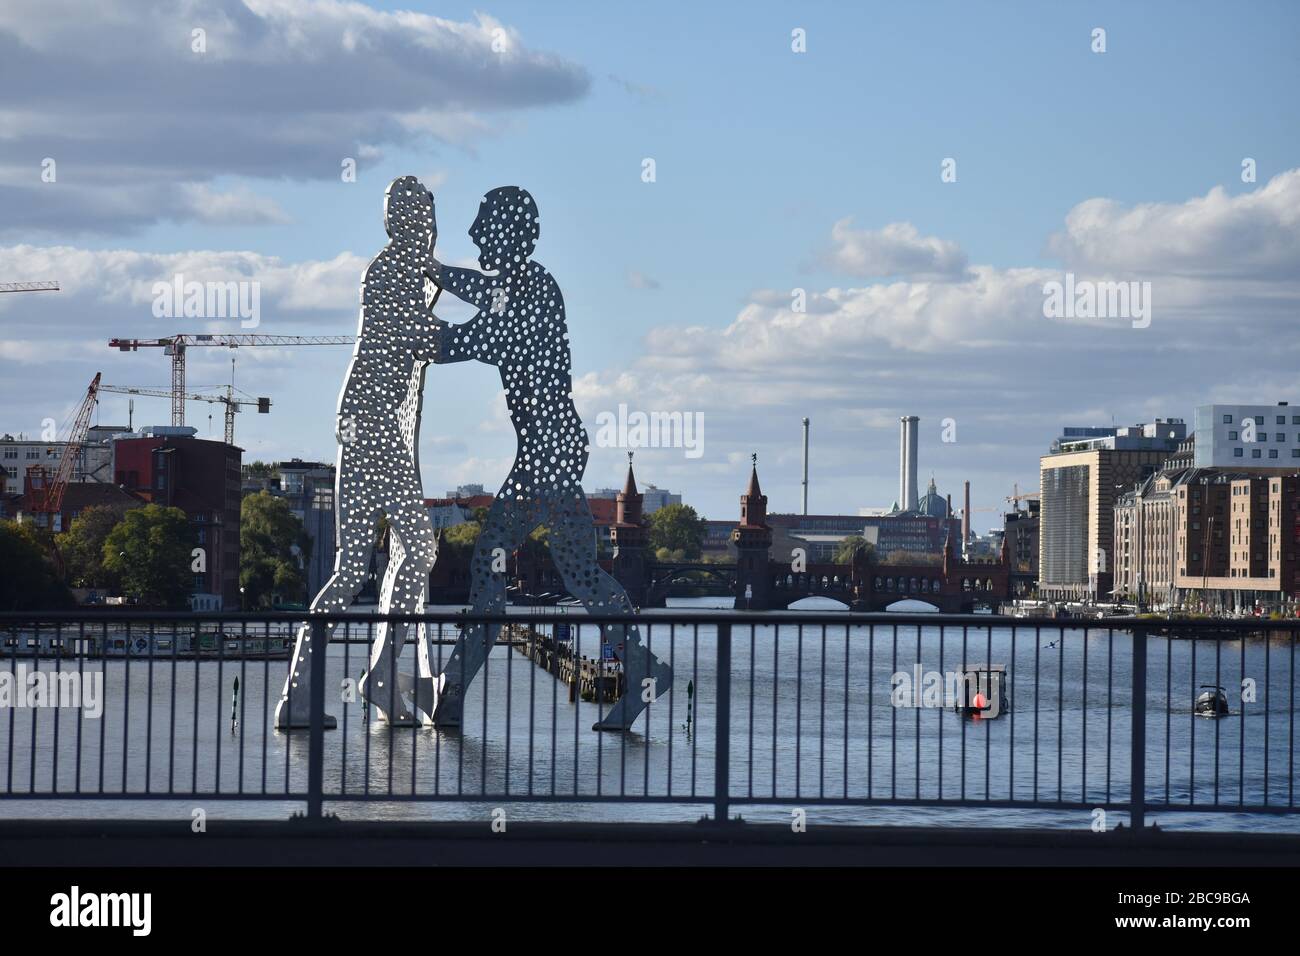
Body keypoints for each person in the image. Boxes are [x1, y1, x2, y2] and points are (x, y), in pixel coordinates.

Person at [425, 186, 671, 732]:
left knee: (489, 563)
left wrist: (419, 335)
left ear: (510, 232)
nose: (472, 235)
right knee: (582, 575)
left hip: (548, 452)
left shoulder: (533, 289)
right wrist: (437, 272)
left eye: (482, 225)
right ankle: (645, 669)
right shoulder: (518, 286)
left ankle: (450, 697)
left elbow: (479, 335)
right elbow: (482, 292)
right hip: (554, 449)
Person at [274, 176, 442, 729]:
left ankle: (341, 686)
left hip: (369, 426)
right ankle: (353, 682)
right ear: (403, 224)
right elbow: (428, 339)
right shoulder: (393, 270)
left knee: (375, 562)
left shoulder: (403, 271)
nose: (431, 231)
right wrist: (489, 321)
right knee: (402, 553)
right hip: (371, 427)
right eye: (424, 220)